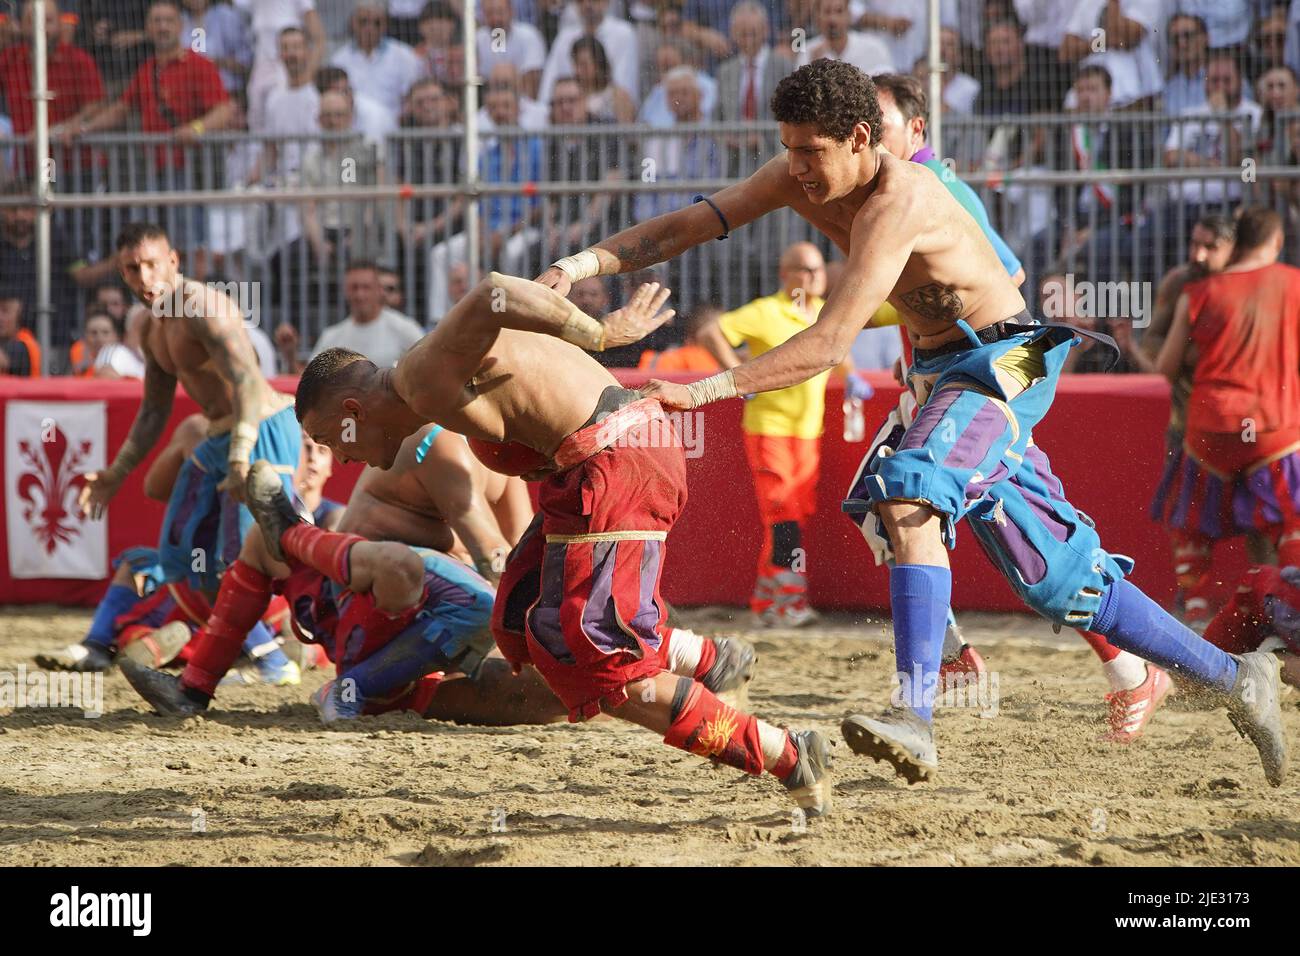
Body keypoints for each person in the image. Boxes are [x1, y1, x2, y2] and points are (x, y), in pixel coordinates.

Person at [536, 59, 1287, 786]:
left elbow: (830, 343)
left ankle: (916, 716)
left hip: (1010, 360)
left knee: (908, 495)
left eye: (812, 152)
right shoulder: (800, 173)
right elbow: (686, 227)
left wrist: (696, 392)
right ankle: (1234, 675)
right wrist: (580, 266)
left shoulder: (907, 197)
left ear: (863, 138)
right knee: (1056, 579)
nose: (795, 167)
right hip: (946, 372)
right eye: (790, 148)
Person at [286, 274, 833, 817]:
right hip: (594, 468)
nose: (340, 457)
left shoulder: (420, 374)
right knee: (523, 621)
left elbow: (492, 292)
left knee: (601, 664)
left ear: (353, 412)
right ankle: (708, 659)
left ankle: (786, 753)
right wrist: (578, 324)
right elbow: (511, 324)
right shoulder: (431, 379)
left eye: (330, 438)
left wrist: (597, 332)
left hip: (619, 462)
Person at [79, 223, 303, 603]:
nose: (145, 277)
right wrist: (117, 471)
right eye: (134, 269)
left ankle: (280, 655)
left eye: (152, 264)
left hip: (261, 428)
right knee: (182, 552)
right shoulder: (151, 330)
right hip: (219, 436)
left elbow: (247, 379)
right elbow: (154, 409)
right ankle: (237, 650)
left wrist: (240, 456)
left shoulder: (204, 307)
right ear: (122, 273)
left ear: (173, 261)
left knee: (248, 556)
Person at [37, 414, 307, 680]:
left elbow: (156, 488)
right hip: (236, 580)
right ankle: (105, 644)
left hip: (238, 583)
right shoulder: (283, 425)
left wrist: (198, 469)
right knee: (148, 566)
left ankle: (119, 645)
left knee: (198, 579)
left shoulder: (201, 430)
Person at [695, 241, 868, 626]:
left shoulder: (824, 314)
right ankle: (788, 603)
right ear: (784, 275)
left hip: (808, 432)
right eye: (804, 270)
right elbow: (710, 332)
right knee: (784, 515)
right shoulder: (765, 311)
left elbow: (836, 348)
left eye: (818, 270)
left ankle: (767, 601)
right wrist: (737, 379)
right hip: (768, 429)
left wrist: (850, 375)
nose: (813, 277)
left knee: (791, 517)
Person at [1156, 207, 1300, 626]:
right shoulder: (1294, 285)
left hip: (1209, 428)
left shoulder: (1198, 293)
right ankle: (1289, 609)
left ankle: (1198, 616)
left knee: (1191, 525)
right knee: (1290, 519)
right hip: (1276, 429)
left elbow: (1165, 366)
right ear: (1276, 242)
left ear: (1235, 245)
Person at [1136, 215, 1236, 624]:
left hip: (1243, 425)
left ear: (1234, 249)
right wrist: (1186, 351)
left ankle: (1273, 605)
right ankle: (1195, 606)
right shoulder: (1180, 283)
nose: (1198, 254)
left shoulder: (1249, 285)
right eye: (1194, 243)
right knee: (1187, 517)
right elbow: (1154, 344)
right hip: (1188, 422)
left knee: (1263, 518)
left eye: (1210, 247)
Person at [312, 261, 424, 369]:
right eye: (354, 287)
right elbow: (309, 380)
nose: (360, 295)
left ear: (379, 290)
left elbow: (428, 365)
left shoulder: (404, 328)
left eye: (366, 287)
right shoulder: (331, 336)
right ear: (345, 291)